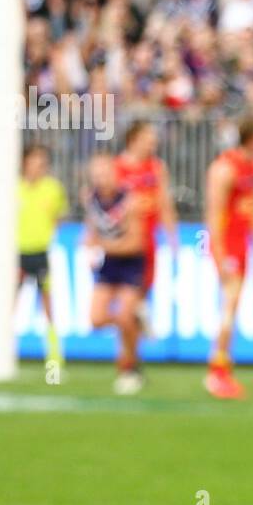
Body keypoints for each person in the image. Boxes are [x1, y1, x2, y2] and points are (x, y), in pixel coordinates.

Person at [203, 115, 253, 399]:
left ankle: (221, 367)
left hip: (242, 245)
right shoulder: (225, 168)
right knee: (229, 306)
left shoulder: (251, 167)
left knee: (232, 306)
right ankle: (217, 371)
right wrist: (219, 253)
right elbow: (214, 215)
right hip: (227, 245)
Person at [83, 154, 147, 395]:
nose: (101, 179)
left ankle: (128, 368)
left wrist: (102, 246)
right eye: (96, 175)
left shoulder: (130, 201)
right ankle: (136, 324)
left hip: (130, 264)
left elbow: (136, 243)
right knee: (96, 319)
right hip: (108, 265)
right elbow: (91, 230)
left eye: (105, 174)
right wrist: (89, 247)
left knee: (123, 317)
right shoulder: (92, 199)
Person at [114, 119, 179, 332]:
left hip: (147, 239)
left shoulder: (157, 167)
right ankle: (133, 325)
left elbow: (165, 204)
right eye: (148, 141)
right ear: (133, 140)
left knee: (142, 287)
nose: (152, 145)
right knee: (125, 294)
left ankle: (132, 348)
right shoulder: (117, 168)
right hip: (123, 240)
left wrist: (172, 238)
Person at [16, 144, 67, 369]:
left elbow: (59, 216)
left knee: (47, 305)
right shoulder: (13, 187)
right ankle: (4, 350)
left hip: (41, 252)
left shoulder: (53, 189)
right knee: (8, 303)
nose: (39, 167)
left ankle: (54, 355)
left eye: (42, 163)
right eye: (35, 162)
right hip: (16, 253)